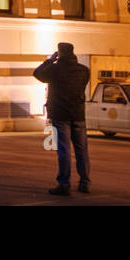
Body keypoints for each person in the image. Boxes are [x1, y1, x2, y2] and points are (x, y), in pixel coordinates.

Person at [33, 42, 91, 195]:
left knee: (64, 150)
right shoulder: (84, 70)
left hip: (60, 115)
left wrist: (50, 60)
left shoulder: (55, 69)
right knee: (82, 150)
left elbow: (37, 73)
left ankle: (64, 184)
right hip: (78, 114)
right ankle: (85, 182)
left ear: (59, 53)